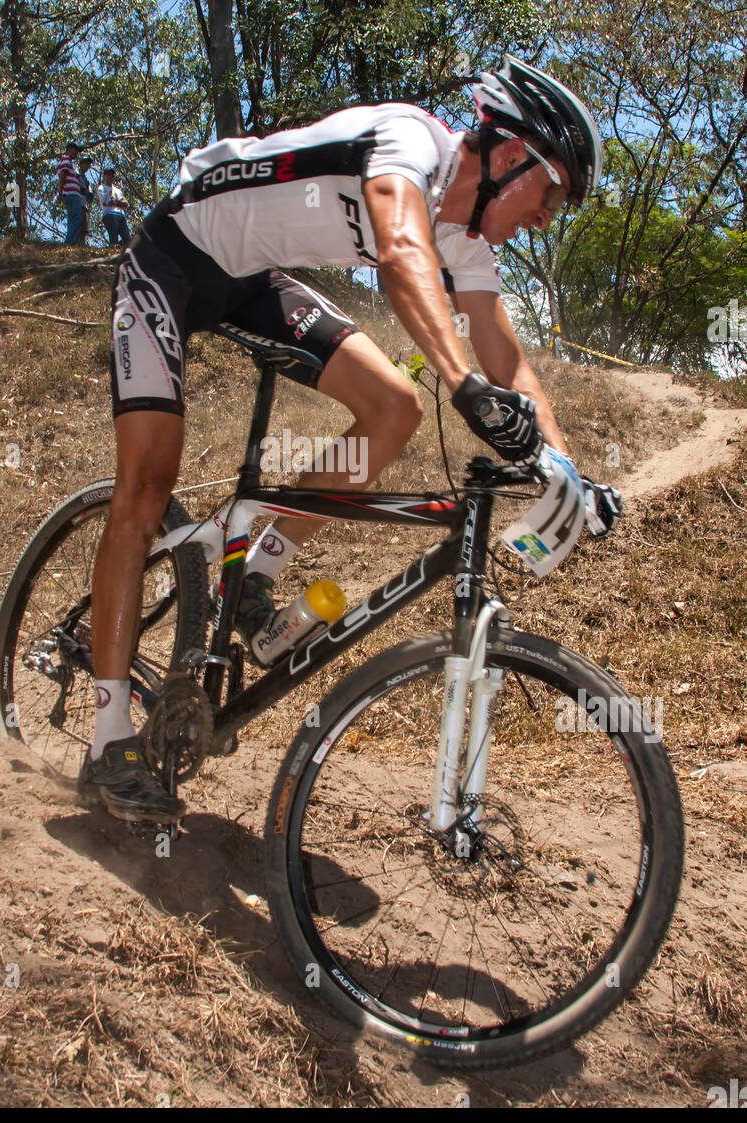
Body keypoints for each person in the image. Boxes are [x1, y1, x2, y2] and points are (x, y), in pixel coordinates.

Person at [79, 55, 624, 824]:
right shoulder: (409, 143)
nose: (548, 215)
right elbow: (402, 254)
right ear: (510, 157)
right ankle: (108, 736)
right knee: (145, 487)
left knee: (394, 408)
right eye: (554, 191)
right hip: (169, 259)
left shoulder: (464, 238)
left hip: (251, 279)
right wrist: (467, 389)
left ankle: (252, 568)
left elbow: (509, 358)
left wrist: (565, 465)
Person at [57, 141, 84, 245]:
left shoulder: (68, 162)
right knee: (77, 217)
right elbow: (62, 176)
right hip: (70, 194)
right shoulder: (66, 159)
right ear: (70, 149)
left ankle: (73, 241)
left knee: (74, 218)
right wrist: (60, 194)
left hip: (71, 194)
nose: (77, 153)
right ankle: (70, 242)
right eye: (76, 150)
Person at [97, 167, 132, 246]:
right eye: (108, 175)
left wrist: (115, 202)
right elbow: (108, 202)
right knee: (113, 238)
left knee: (128, 239)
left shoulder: (118, 190)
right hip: (109, 214)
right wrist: (118, 202)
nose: (110, 177)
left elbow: (126, 203)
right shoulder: (101, 188)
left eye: (112, 175)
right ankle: (112, 252)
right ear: (104, 176)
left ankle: (122, 252)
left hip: (121, 215)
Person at [77, 155, 94, 245]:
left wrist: (87, 192)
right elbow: (79, 189)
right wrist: (84, 191)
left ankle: (82, 245)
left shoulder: (86, 180)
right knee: (77, 226)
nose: (87, 166)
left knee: (84, 228)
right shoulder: (76, 175)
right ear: (80, 164)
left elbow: (90, 194)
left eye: (88, 164)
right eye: (85, 163)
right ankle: (75, 244)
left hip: (84, 205)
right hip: (77, 203)